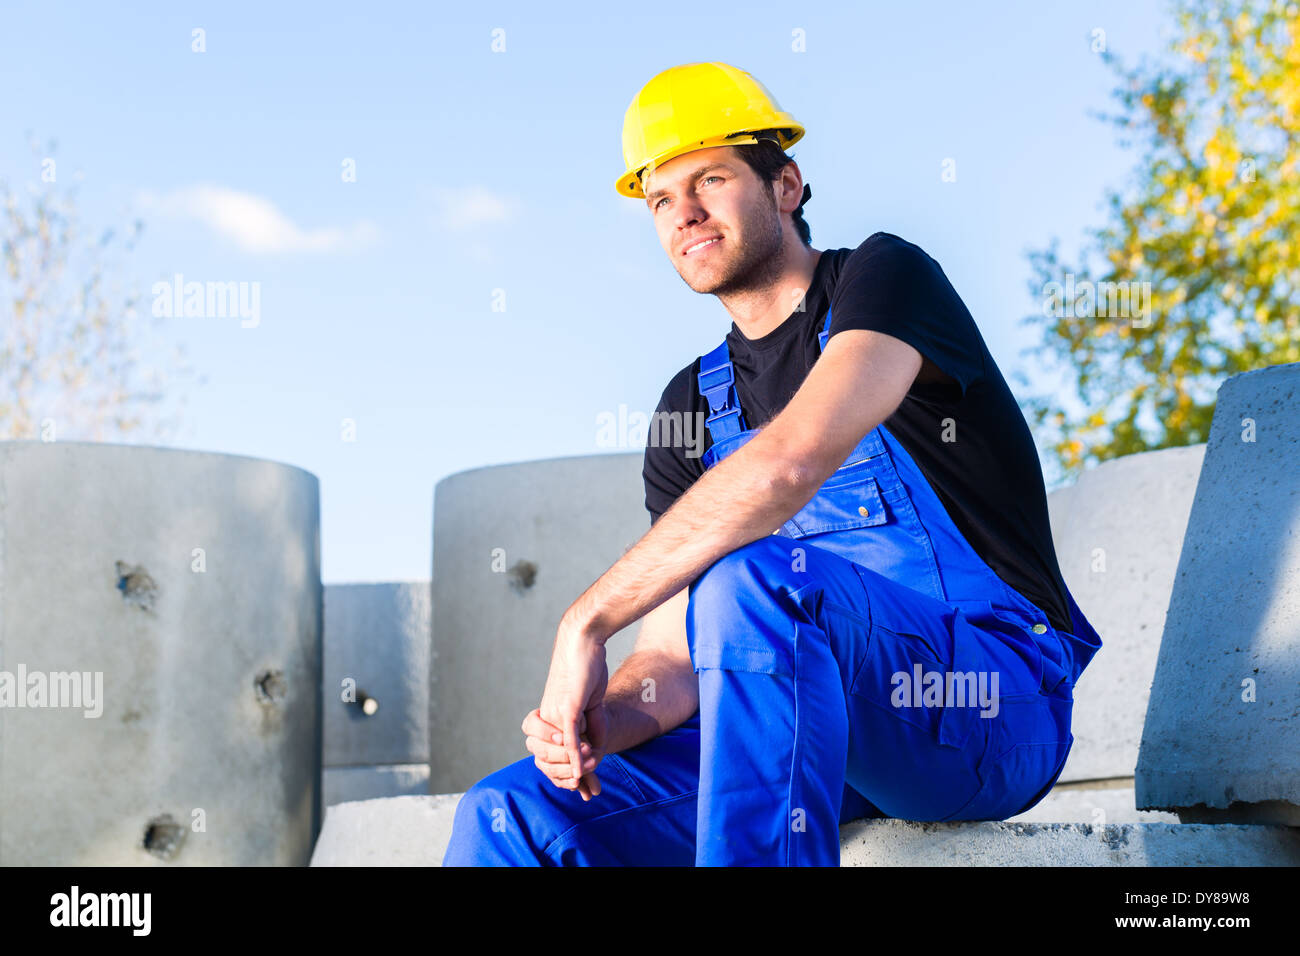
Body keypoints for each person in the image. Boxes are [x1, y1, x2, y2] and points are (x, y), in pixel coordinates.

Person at [442, 61, 1102, 866]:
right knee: (511, 815)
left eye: (710, 179)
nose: (684, 213)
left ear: (786, 185)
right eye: (659, 199)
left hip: (987, 705)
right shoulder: (691, 404)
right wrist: (604, 720)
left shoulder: (885, 280)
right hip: (799, 729)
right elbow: (672, 659)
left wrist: (583, 621)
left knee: (756, 577)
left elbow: (791, 461)